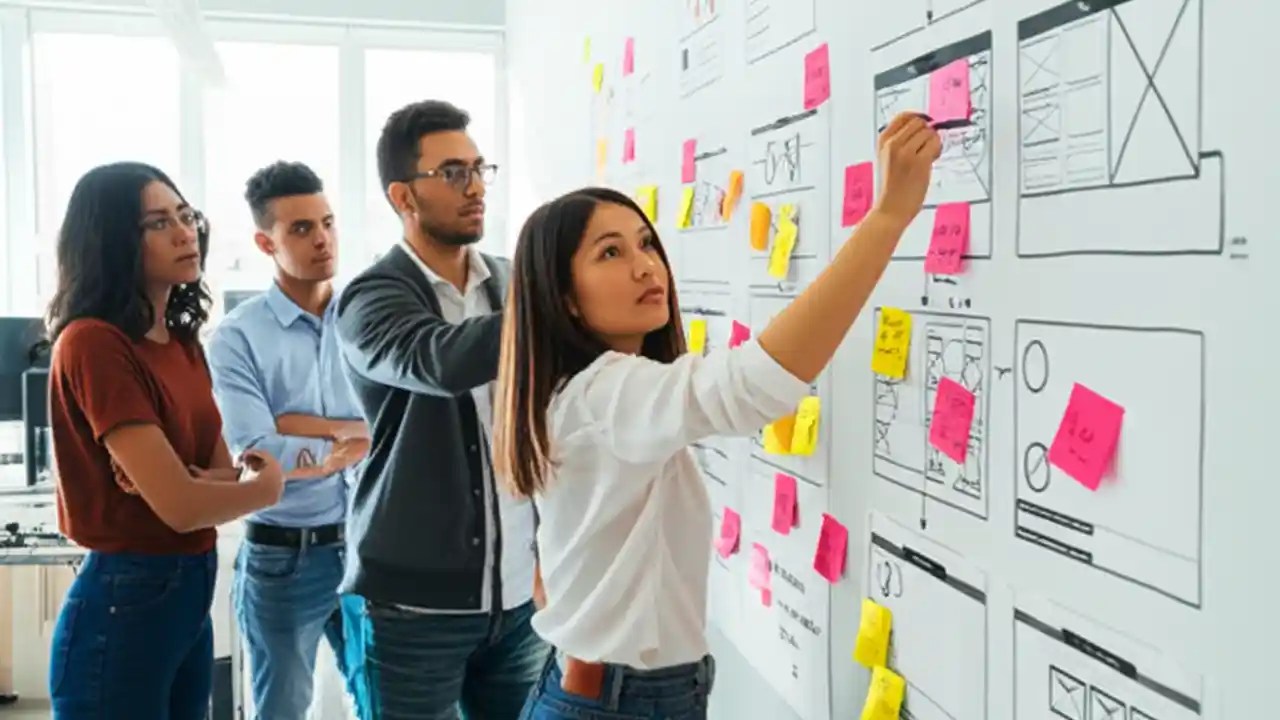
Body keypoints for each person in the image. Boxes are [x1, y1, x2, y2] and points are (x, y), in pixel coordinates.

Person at [492, 111, 941, 720]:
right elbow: (758, 384)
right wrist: (887, 216)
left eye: (647, 242)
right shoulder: (603, 395)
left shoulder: (578, 395)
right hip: (616, 702)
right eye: (610, 252)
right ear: (565, 298)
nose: (647, 265)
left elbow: (553, 569)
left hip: (605, 690)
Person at [43, 161, 286, 719]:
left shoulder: (181, 343)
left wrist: (208, 486)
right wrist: (266, 486)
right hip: (126, 597)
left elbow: (215, 475)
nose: (184, 232)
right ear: (111, 240)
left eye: (185, 215)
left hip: (187, 594)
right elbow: (183, 506)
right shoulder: (94, 343)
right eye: (157, 222)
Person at [335, 99, 545, 718]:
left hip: (516, 606)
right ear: (404, 196)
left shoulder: (512, 283)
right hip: (409, 612)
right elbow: (439, 362)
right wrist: (559, 310)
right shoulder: (370, 296)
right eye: (453, 173)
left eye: (480, 169)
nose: (476, 186)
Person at [206, 161, 369, 719]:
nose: (322, 238)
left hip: (368, 548)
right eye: (301, 228)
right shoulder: (237, 337)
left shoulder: (365, 320)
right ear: (264, 241)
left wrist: (305, 425)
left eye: (326, 222)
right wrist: (346, 441)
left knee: (385, 703)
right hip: (284, 559)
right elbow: (259, 453)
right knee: (281, 711)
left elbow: (395, 427)